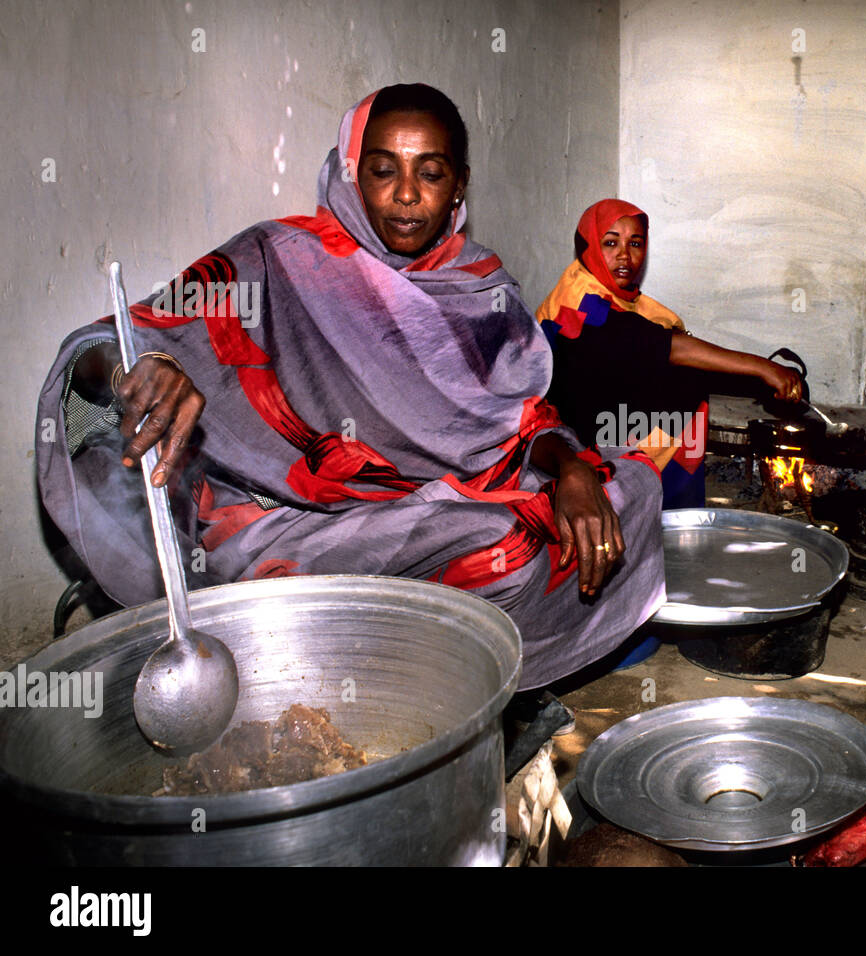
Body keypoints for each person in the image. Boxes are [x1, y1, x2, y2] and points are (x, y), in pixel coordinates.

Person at [36, 84, 667, 691]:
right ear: (352, 173)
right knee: (505, 545)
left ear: (459, 185)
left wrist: (571, 470)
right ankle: (391, 673)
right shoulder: (278, 257)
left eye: (431, 173)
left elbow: (520, 419)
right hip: (297, 522)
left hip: (441, 496)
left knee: (633, 487)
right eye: (383, 170)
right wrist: (139, 367)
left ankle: (386, 655)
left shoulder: (480, 284)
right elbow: (97, 348)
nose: (406, 195)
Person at [536, 199, 802, 508]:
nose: (625, 255)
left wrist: (762, 377)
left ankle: (661, 498)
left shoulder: (596, 287)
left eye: (635, 243)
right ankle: (653, 496)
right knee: (684, 386)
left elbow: (650, 340)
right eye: (610, 243)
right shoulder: (582, 304)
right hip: (568, 432)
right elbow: (668, 346)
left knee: (686, 373)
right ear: (589, 245)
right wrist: (764, 369)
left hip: (590, 401)